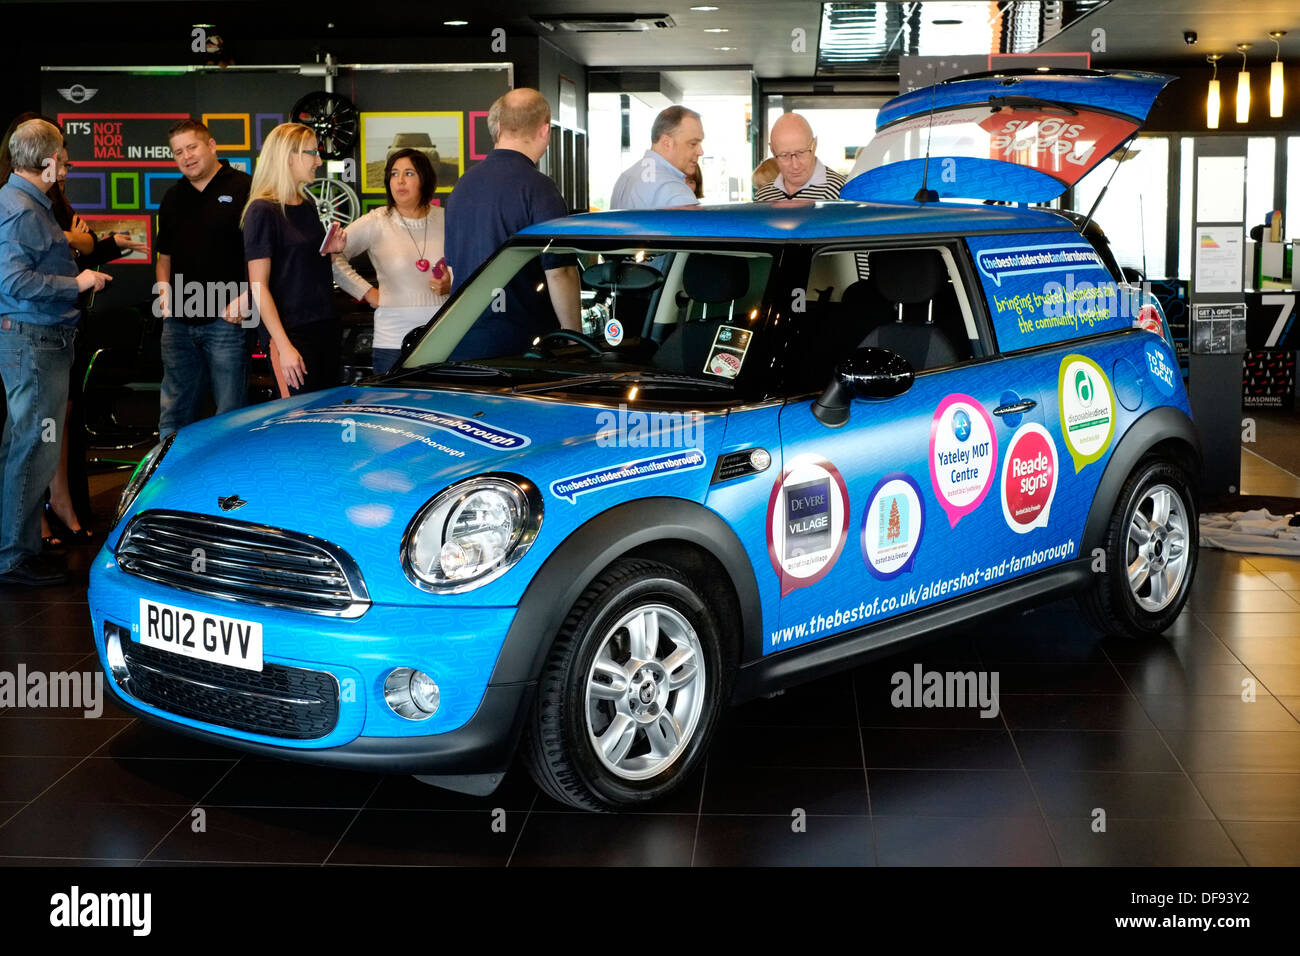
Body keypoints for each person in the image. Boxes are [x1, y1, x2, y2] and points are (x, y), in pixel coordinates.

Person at [0, 119, 109, 586]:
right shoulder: (22, 208)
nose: (66, 165)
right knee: (34, 449)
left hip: (36, 340)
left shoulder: (24, 202)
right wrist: (78, 282)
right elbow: (12, 280)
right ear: (47, 162)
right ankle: (13, 557)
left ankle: (15, 549)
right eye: (63, 157)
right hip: (35, 341)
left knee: (25, 446)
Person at [443, 87, 580, 359]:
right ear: (544, 131)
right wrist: (574, 339)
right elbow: (559, 272)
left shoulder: (463, 185)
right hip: (523, 348)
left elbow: (451, 266)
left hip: (459, 340)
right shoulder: (540, 188)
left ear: (499, 126)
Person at [155, 118, 252, 438]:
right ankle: (170, 480)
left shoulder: (245, 188)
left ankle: (228, 482)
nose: (186, 156)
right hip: (178, 324)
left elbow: (264, 255)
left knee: (230, 412)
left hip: (228, 319)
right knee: (174, 410)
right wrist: (165, 299)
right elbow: (164, 257)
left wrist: (248, 297)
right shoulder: (172, 197)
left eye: (192, 147)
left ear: (212, 146)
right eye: (178, 152)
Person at [241, 123, 346, 396]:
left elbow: (302, 270)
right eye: (312, 153)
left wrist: (331, 252)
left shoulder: (306, 205)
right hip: (292, 335)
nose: (319, 161)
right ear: (289, 157)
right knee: (298, 423)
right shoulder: (262, 211)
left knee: (324, 419)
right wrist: (283, 345)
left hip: (324, 329)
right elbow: (258, 286)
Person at [331, 148, 450, 373]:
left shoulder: (446, 218)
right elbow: (333, 256)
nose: (400, 181)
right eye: (394, 174)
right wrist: (367, 292)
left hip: (442, 337)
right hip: (392, 341)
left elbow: (468, 263)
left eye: (409, 173)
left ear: (425, 178)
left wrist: (451, 283)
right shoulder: (377, 221)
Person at [609, 106, 703, 210]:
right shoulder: (675, 191)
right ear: (667, 143)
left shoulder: (626, 178)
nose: (701, 152)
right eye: (693, 144)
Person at [753, 112, 846, 202]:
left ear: (814, 145)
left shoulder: (843, 191)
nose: (795, 165)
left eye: (801, 152)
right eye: (785, 155)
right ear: (773, 151)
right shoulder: (763, 197)